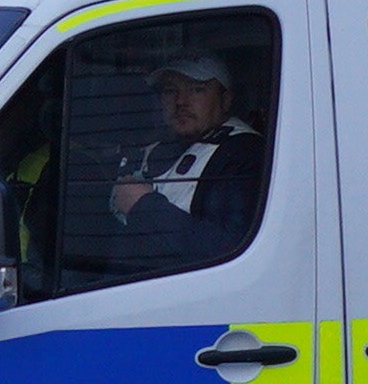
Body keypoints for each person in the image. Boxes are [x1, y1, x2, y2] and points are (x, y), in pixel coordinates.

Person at [108, 52, 266, 266]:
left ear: (226, 99)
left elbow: (229, 252)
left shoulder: (244, 153)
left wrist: (144, 206)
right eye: (170, 91)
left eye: (196, 89)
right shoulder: (150, 150)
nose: (181, 101)